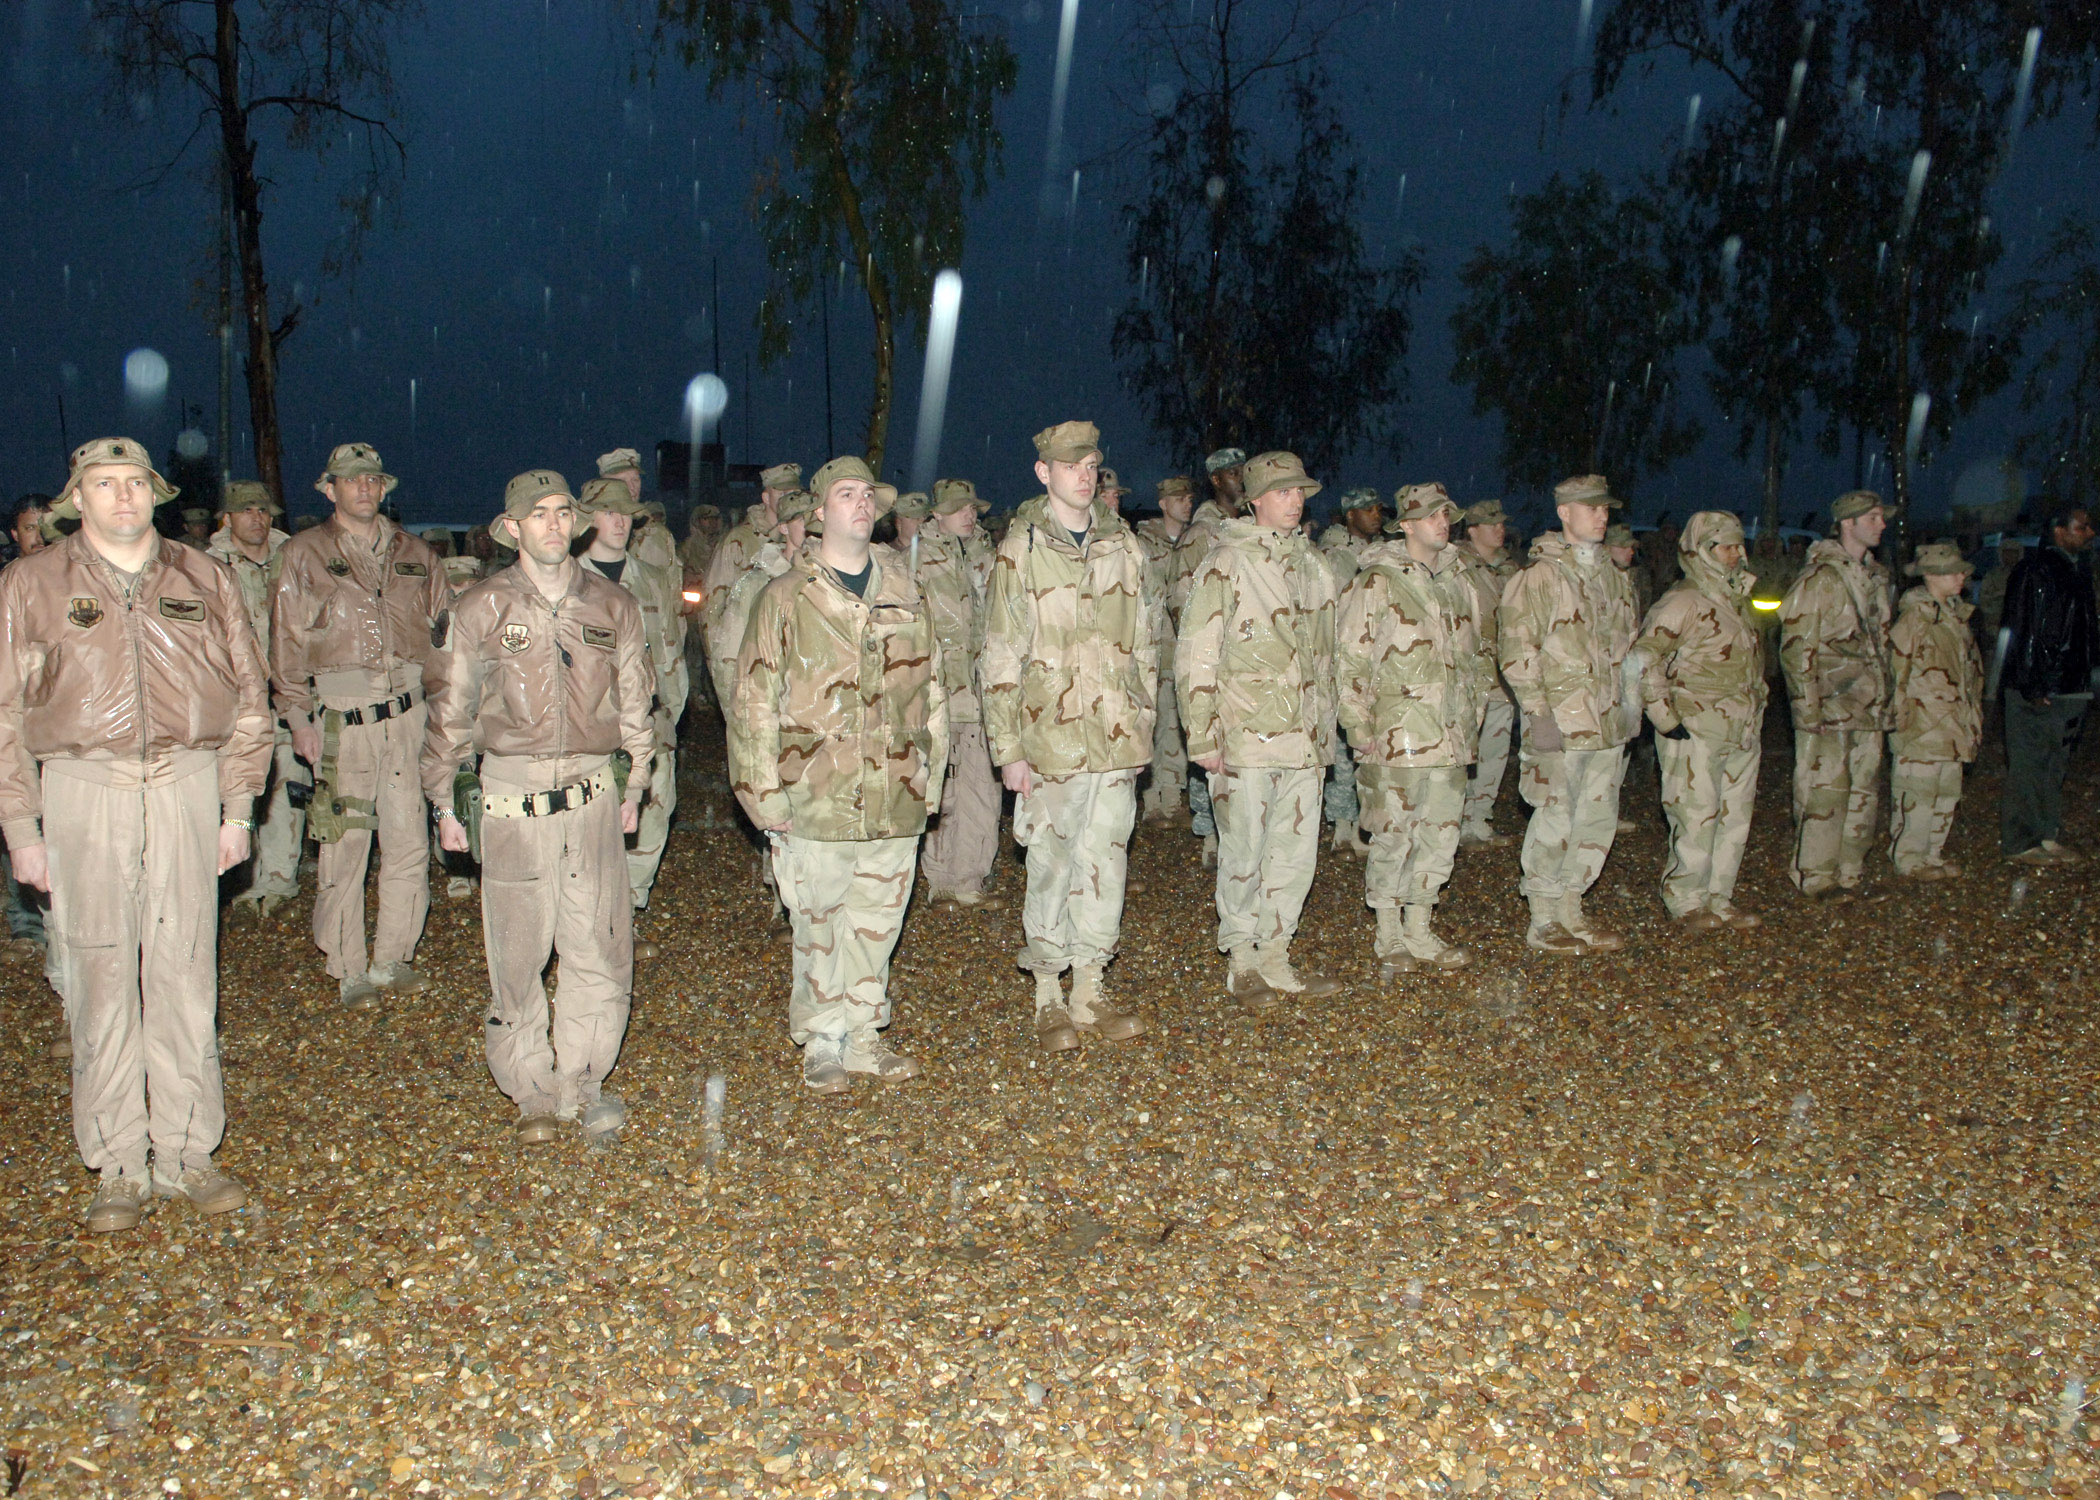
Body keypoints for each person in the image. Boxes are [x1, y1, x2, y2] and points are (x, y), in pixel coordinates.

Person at [1, 438, 272, 1230]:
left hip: (187, 784)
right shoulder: (30, 584)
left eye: (134, 484)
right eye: (102, 484)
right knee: (100, 975)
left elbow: (250, 701)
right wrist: (23, 826)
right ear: (75, 498)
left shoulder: (203, 576)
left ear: (155, 494)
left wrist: (235, 808)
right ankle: (118, 1159)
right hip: (84, 790)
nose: (121, 498)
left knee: (186, 967)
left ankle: (189, 1150)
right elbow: (7, 718)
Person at [426, 470, 655, 1143]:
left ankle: (584, 1080)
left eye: (563, 513)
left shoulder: (614, 606)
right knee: (518, 953)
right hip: (510, 797)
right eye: (539, 515)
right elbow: (450, 713)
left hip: (591, 793)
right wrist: (444, 800)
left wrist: (635, 785)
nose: (553, 526)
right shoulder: (479, 609)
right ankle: (531, 1088)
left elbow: (637, 703)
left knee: (598, 944)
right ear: (514, 529)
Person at [731, 458, 946, 1092]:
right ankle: (823, 1038)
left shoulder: (906, 591)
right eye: (844, 495)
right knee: (820, 921)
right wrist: (762, 796)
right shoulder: (785, 598)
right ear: (818, 512)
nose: (859, 504)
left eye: (867, 495)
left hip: (895, 789)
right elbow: (752, 703)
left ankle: (863, 1035)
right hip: (815, 794)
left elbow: (933, 689)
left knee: (879, 918)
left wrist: (930, 779)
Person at [982, 422, 1159, 1052]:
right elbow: (1001, 655)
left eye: (1091, 464)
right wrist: (1007, 750)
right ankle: (1048, 994)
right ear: (1043, 473)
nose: (1084, 474)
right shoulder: (1021, 551)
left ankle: (1090, 988)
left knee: (1106, 860)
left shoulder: (1125, 548)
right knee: (1051, 865)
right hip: (1049, 738)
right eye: (1069, 465)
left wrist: (1141, 723)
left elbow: (1144, 644)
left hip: (1114, 737)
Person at [271, 443, 448, 1007]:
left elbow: (445, 636)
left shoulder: (417, 552)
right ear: (330, 490)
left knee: (406, 839)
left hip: (410, 713)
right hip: (343, 721)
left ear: (384, 486)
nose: (364, 489)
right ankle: (346, 964)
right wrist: (298, 715)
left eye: (372, 480)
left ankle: (392, 955)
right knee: (345, 840)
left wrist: (448, 712)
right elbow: (286, 642)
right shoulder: (304, 554)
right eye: (351, 481)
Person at [1178, 452, 1342, 1005]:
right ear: (1254, 500)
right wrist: (1201, 736)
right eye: (1282, 491)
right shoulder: (1227, 562)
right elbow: (1197, 653)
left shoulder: (1314, 564)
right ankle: (1242, 958)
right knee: (1244, 850)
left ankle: (1277, 953)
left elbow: (1328, 655)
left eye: (1299, 490)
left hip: (1305, 736)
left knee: (1295, 854)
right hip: (1247, 734)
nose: (1295, 500)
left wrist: (1329, 726)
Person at [1337, 483, 1484, 979]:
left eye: (1447, 514)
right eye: (1432, 516)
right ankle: (1389, 931)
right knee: (1392, 834)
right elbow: (1350, 658)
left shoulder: (1459, 580)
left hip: (1450, 734)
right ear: (1407, 524)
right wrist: (1358, 727)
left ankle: (1421, 926)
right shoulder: (1378, 581)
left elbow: (1475, 656)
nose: (1443, 523)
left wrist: (1472, 715)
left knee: (1441, 835)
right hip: (1396, 734)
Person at [1500, 474, 1639, 954]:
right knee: (1555, 816)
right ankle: (1542, 917)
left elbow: (1629, 650)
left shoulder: (1613, 577)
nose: (1602, 516)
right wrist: (1538, 715)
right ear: (1564, 513)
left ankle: (1571, 908)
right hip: (1562, 719)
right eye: (1592, 508)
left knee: (1597, 818)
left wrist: (1632, 707)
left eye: (1606, 509)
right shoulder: (1540, 576)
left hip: (1606, 721)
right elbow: (1517, 649)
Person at [1634, 512, 1767, 932]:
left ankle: (1718, 896)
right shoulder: (1684, 601)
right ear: (1700, 552)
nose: (1735, 554)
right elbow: (1642, 658)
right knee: (1696, 814)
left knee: (1735, 816)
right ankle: (1687, 899)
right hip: (1695, 726)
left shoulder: (1738, 599)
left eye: (1737, 545)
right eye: (1724, 546)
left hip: (1742, 726)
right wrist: (1664, 716)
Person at [576, 476, 687, 946]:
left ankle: (626, 911)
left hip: (651, 720)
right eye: (608, 512)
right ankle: (591, 919)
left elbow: (672, 650)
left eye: (626, 513)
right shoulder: (569, 580)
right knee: (591, 822)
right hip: (591, 726)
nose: (619, 521)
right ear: (588, 520)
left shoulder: (653, 577)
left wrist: (666, 717)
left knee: (653, 814)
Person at [1779, 490, 1894, 896]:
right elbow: (1797, 648)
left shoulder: (1875, 577)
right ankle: (1816, 875)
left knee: (1864, 793)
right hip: (1829, 704)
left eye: (1882, 518)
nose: (1882, 525)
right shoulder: (1821, 578)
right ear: (1849, 523)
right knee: (1825, 792)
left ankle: (1849, 871)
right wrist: (1806, 708)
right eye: (1874, 517)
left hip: (1868, 704)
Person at [207, 480, 303, 916]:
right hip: (236, 697)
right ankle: (241, 879)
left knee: (288, 783)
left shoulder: (296, 557)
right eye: (246, 511)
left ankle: (280, 879)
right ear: (227, 518)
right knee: (241, 785)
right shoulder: (208, 566)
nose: (257, 518)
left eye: (263, 510)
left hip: (289, 690)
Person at [915, 478, 1003, 911]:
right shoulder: (916, 559)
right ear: (936, 513)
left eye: (972, 507)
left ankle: (971, 877)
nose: (970, 513)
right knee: (941, 788)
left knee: (983, 787)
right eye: (959, 507)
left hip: (984, 693)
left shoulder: (990, 555)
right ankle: (940, 880)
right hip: (939, 693)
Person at [1997, 506, 2098, 866]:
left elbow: (2081, 630)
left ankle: (2046, 833)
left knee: (2055, 765)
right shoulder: (2035, 569)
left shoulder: (2077, 570)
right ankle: (2020, 842)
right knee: (2028, 765)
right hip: (2041, 687)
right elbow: (2021, 629)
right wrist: (2032, 684)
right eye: (2081, 527)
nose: (2089, 533)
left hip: (2069, 685)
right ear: (2058, 531)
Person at [1168, 449, 1249, 866]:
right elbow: (1182, 600)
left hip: (1246, 665)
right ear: (1217, 480)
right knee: (1208, 741)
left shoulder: (1250, 527)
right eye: (1234, 473)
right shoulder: (1202, 533)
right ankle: (1210, 833)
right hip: (1213, 658)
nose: (1242, 478)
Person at [1889, 543, 1983, 879]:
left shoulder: (1956, 617)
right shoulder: (1916, 617)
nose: (1962, 577)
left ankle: (1932, 852)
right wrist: (1901, 714)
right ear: (1931, 575)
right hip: (1923, 721)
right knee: (1918, 789)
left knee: (1946, 790)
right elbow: (1896, 669)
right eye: (1954, 571)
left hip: (1952, 722)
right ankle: (1909, 857)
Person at [1315, 487, 1386, 856]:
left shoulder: (1380, 553)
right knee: (1345, 743)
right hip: (1344, 659)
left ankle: (1364, 822)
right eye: (1365, 509)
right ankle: (1343, 827)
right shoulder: (1337, 556)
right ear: (1348, 516)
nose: (1375, 514)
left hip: (1373, 663)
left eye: (1377, 508)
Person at [1455, 499, 1520, 847]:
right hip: (1471, 672)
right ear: (1472, 529)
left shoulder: (1511, 568)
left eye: (1501, 523)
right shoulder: (1457, 565)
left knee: (1495, 750)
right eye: (1491, 524)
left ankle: (1479, 817)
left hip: (1503, 674)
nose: (1500, 529)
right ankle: (1453, 818)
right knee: (1465, 749)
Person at [1134, 477, 1196, 823]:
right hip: (1150, 648)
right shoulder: (1141, 545)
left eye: (1189, 498)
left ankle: (1170, 798)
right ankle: (1150, 797)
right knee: (1149, 723)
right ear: (1162, 503)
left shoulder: (1193, 542)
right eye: (1178, 498)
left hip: (1181, 649)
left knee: (1175, 724)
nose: (1186, 504)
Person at [703, 461, 803, 644]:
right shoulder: (739, 541)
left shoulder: (803, 540)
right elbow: (712, 607)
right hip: (747, 652)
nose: (790, 500)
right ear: (766, 498)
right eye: (782, 494)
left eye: (795, 494)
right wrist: (723, 665)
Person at [1975, 537, 2024, 643]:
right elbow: (1983, 601)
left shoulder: (2026, 576)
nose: (2010, 556)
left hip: (2020, 627)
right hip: (1996, 626)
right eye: (2006, 553)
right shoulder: (1992, 575)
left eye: (2013, 553)